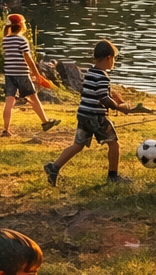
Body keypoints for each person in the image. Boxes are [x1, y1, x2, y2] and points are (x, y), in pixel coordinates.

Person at [45, 39, 133, 186]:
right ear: (108, 58)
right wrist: (118, 107)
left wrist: (113, 96)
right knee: (114, 144)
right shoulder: (103, 76)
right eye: (114, 59)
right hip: (96, 117)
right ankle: (113, 177)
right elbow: (103, 98)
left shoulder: (90, 72)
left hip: (83, 114)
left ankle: (54, 167)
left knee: (78, 145)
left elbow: (95, 92)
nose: (114, 62)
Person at [1, 13, 59, 137]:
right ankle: (45, 122)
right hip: (22, 74)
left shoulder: (5, 40)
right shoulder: (22, 40)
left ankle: (6, 130)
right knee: (33, 98)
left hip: (9, 74)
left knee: (9, 101)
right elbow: (28, 58)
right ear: (22, 26)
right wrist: (36, 74)